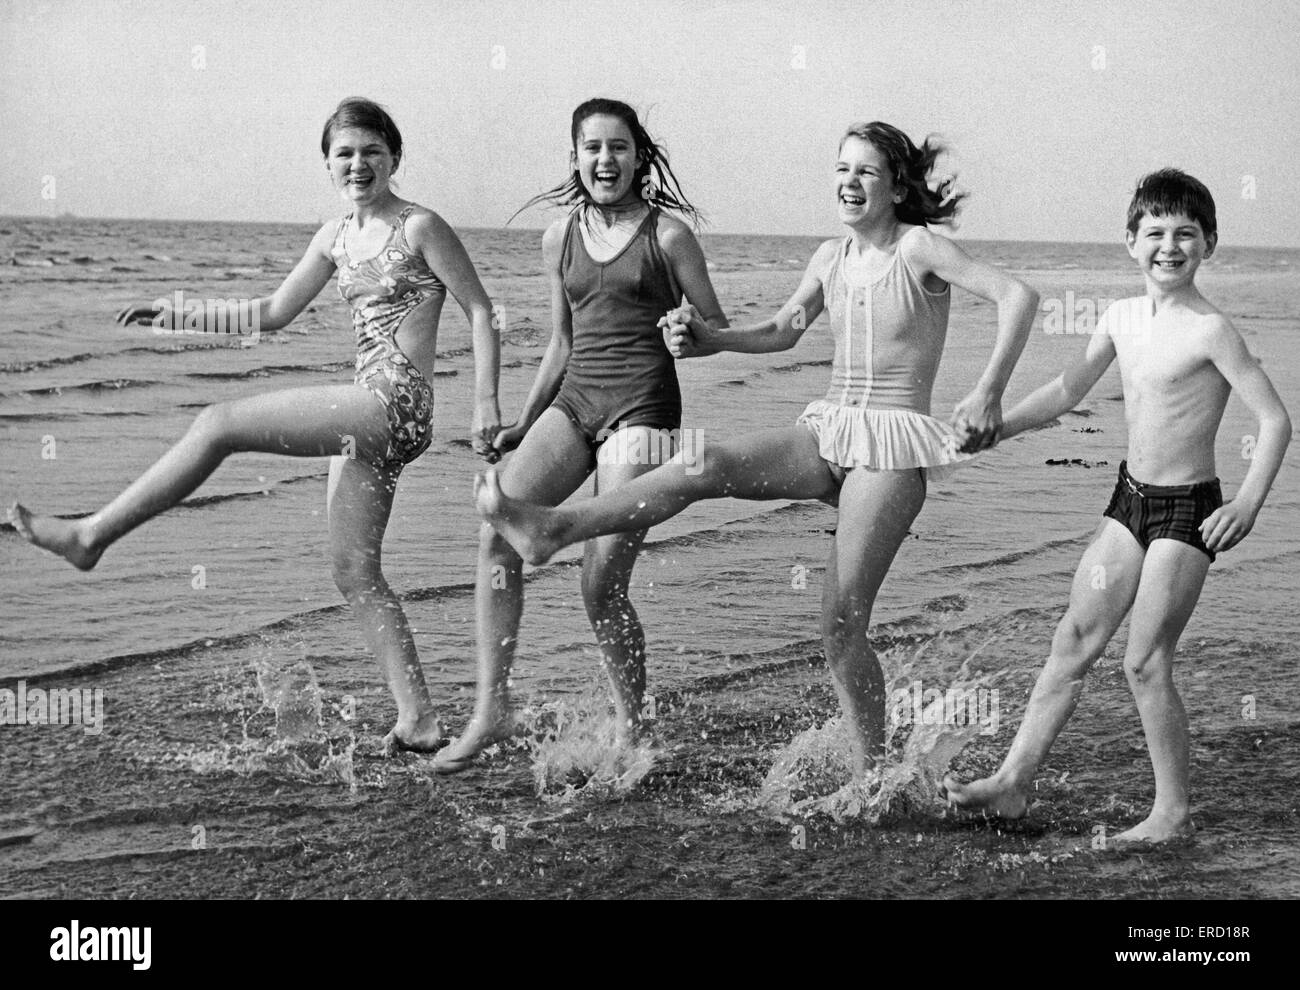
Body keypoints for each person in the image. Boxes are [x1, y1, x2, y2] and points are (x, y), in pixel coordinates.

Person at [473, 121, 1039, 778]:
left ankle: (876, 774)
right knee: (701, 463)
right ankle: (554, 528)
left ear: (896, 186)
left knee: (839, 627)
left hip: (888, 450)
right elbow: (780, 332)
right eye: (841, 169)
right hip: (827, 432)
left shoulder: (918, 249)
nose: (849, 183)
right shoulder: (830, 258)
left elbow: (1018, 296)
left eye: (865, 172)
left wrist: (988, 393)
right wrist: (709, 339)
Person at [9, 97, 501, 755]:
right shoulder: (332, 238)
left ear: (395, 157)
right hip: (365, 410)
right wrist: (178, 314)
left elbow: (480, 309)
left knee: (217, 423)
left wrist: (485, 404)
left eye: (371, 152)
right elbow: (271, 313)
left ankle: (90, 535)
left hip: (396, 403)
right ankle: (420, 720)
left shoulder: (419, 227)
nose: (358, 165)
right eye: (344, 154)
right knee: (353, 570)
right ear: (328, 164)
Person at [944, 168, 1292, 844]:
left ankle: (1171, 814)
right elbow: (1069, 389)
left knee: (1144, 661)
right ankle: (1014, 782)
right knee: (1073, 639)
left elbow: (1274, 420)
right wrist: (998, 426)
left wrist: (1248, 503)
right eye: (1155, 233)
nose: (1169, 246)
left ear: (1209, 244)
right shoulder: (1120, 317)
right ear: (1130, 242)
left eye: (1185, 234)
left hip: (1189, 512)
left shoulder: (1211, 330)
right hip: (1130, 501)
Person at [432, 98, 726, 772]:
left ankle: (630, 728)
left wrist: (692, 336)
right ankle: (491, 712)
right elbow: (562, 343)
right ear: (574, 157)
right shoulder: (557, 237)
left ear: (637, 156)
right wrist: (522, 425)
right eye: (592, 147)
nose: (605, 159)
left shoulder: (669, 236)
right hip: (574, 402)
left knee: (601, 581)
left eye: (618, 147)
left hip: (645, 411)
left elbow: (716, 327)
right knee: (495, 536)